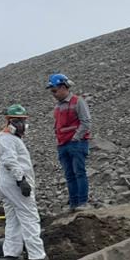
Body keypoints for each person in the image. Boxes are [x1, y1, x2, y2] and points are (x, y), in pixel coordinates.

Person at [0, 105, 47, 260]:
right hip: (14, 184)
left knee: (13, 220)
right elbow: (10, 161)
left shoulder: (11, 138)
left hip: (8, 184)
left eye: (23, 121)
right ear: (9, 122)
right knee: (30, 217)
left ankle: (11, 253)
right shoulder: (5, 138)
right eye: (18, 121)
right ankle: (37, 256)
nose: (22, 125)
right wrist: (21, 180)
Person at [48, 74, 93, 209]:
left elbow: (86, 122)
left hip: (76, 144)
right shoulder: (58, 106)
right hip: (63, 144)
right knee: (69, 175)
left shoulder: (77, 101)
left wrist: (76, 138)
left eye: (54, 90)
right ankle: (74, 203)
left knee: (79, 172)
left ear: (63, 87)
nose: (53, 94)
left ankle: (83, 202)